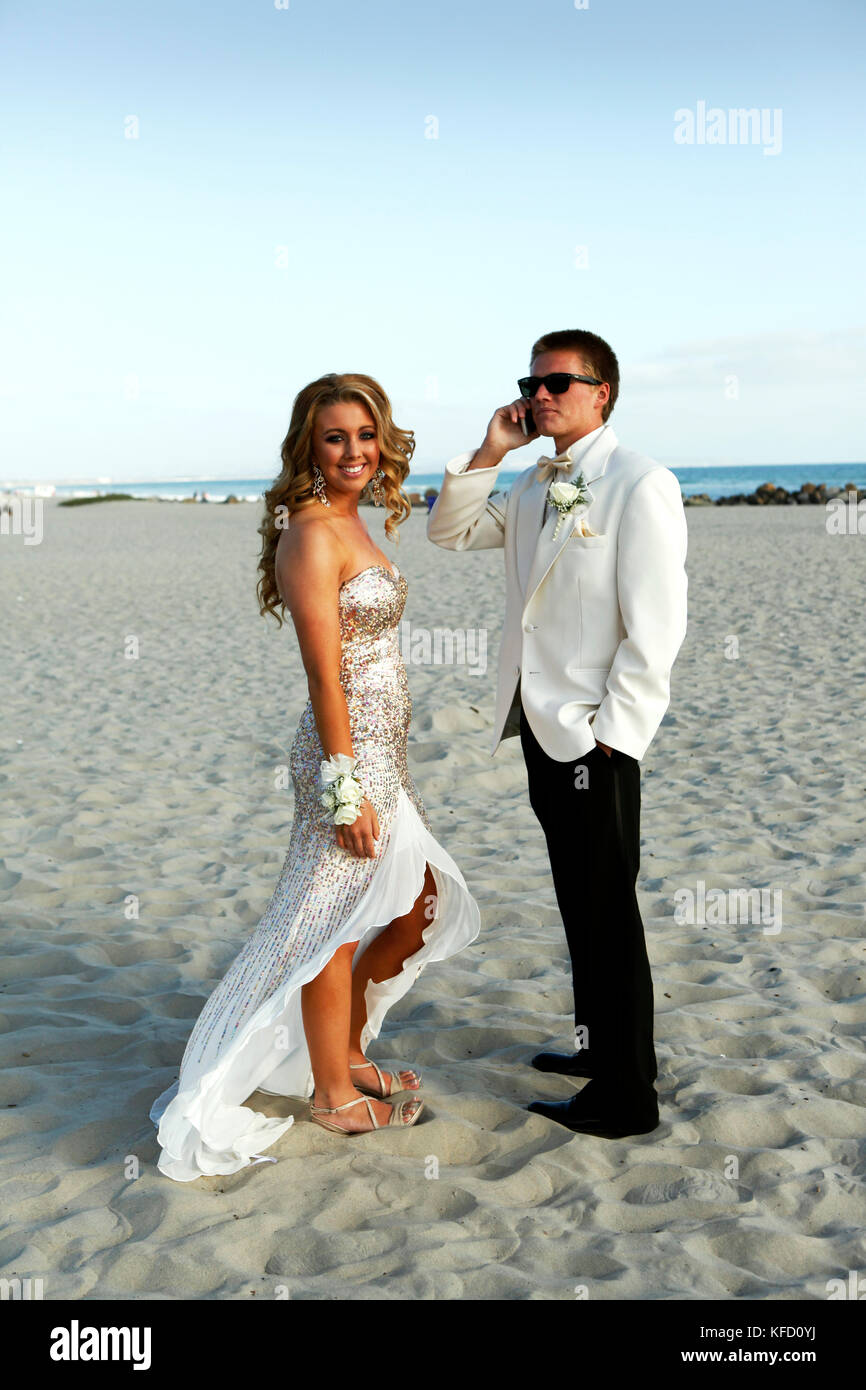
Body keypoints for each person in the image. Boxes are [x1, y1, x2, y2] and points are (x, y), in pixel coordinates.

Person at [150, 372, 480, 1180]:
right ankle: (333, 1093)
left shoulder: (355, 520)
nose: (355, 451)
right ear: (309, 446)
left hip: (382, 754)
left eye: (366, 435)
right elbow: (325, 676)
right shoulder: (309, 533)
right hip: (343, 758)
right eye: (336, 437)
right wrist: (345, 788)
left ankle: (342, 1051)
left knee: (418, 905)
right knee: (327, 927)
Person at [427, 330, 688, 1139]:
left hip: (595, 739)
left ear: (602, 391)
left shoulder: (638, 483)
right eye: (532, 383)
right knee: (581, 904)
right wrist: (492, 449)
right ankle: (598, 1049)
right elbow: (449, 531)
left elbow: (657, 626)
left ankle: (626, 1096)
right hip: (535, 725)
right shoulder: (538, 483)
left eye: (559, 383)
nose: (541, 395)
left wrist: (618, 734)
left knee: (609, 912)